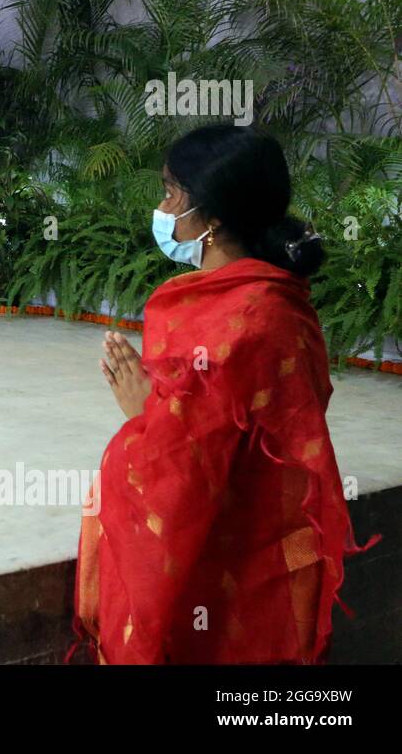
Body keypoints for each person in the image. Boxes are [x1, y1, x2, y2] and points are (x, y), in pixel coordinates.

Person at [72, 123, 379, 664]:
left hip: (243, 550)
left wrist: (146, 417)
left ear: (211, 216)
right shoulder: (256, 302)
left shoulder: (256, 315)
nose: (162, 207)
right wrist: (157, 416)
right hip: (248, 551)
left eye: (171, 193)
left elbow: (214, 461)